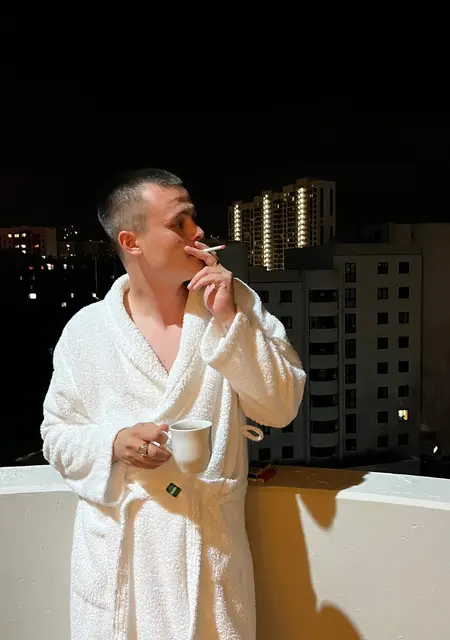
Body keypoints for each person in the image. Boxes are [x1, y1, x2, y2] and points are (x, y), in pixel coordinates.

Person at [41, 168, 306, 640]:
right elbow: (56, 436)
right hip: (122, 565)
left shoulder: (234, 304)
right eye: (179, 223)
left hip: (208, 555)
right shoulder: (86, 333)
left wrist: (229, 322)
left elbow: (281, 407)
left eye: (194, 219)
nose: (198, 232)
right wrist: (113, 443)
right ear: (132, 241)